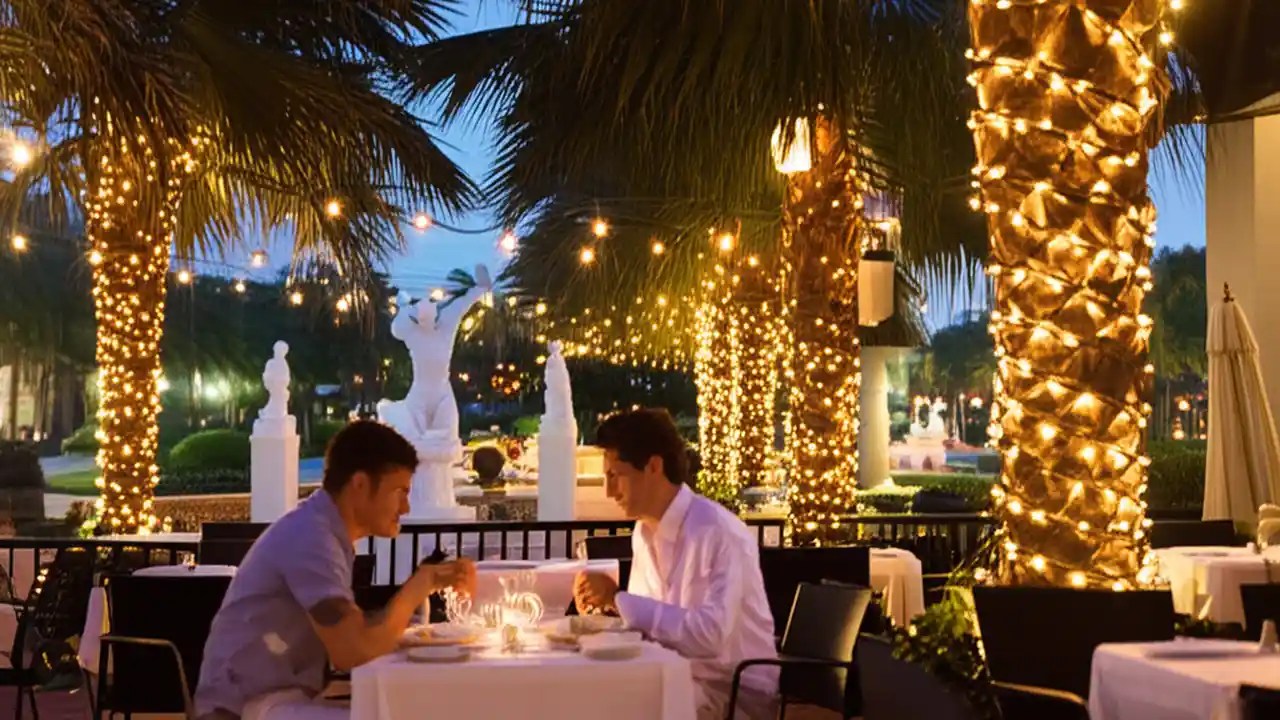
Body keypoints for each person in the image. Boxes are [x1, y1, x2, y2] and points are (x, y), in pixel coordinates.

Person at [196, 421, 476, 720]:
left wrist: (424, 588)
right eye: (399, 491)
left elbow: (357, 634)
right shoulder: (310, 538)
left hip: (272, 699)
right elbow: (351, 650)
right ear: (360, 485)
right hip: (242, 709)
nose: (405, 507)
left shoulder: (323, 531)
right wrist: (418, 588)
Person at [573, 409, 778, 720]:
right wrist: (606, 613)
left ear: (653, 466)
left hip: (730, 691)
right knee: (585, 693)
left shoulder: (717, 531)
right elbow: (650, 627)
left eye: (615, 476)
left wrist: (619, 599)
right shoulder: (643, 532)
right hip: (674, 675)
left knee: (614, 707)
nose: (608, 491)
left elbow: (709, 637)